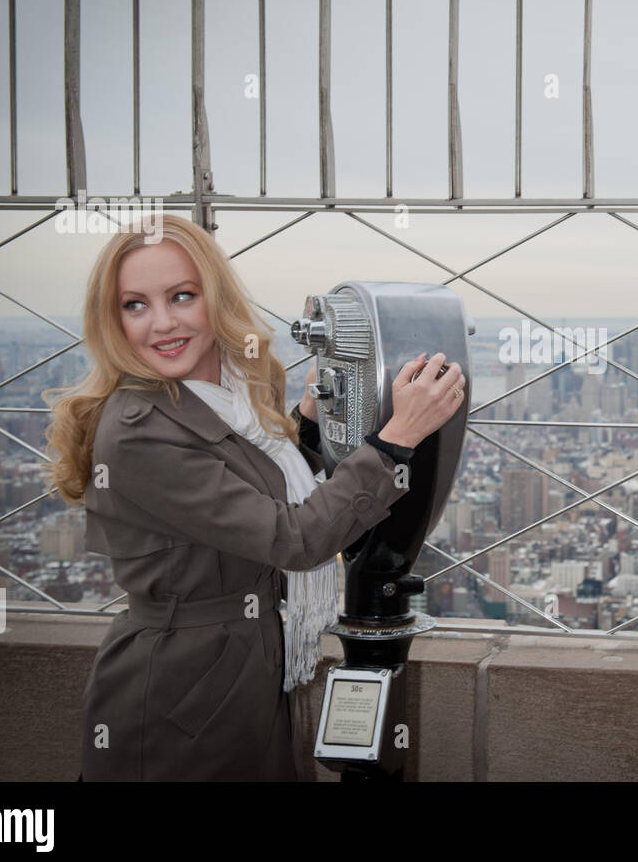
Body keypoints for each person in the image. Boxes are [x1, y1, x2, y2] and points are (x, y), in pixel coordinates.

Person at [42, 214, 465, 780]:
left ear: (214, 297)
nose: (162, 323)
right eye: (134, 305)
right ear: (111, 320)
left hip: (246, 669)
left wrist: (311, 421)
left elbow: (257, 487)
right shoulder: (140, 428)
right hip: (183, 693)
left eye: (182, 296)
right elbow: (293, 538)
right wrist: (396, 442)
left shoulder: (217, 395)